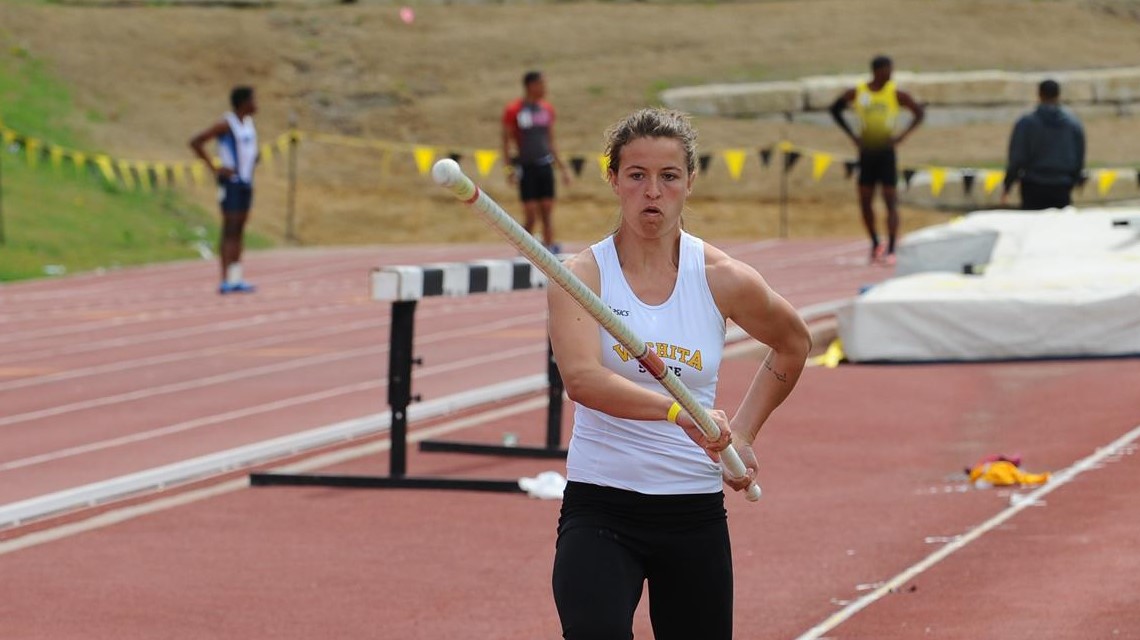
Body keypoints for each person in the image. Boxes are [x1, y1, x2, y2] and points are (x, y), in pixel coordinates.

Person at [547, 108, 812, 640]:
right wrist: (678, 411)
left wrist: (744, 433)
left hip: (692, 510)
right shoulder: (581, 276)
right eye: (636, 175)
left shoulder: (721, 278)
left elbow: (793, 344)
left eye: (668, 176)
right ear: (613, 179)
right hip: (602, 505)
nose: (652, 191)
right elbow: (581, 380)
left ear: (690, 181)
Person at [830, 55, 925, 265]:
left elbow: (919, 112)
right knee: (865, 200)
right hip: (866, 152)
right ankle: (875, 243)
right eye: (887, 71)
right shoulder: (859, 92)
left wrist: (901, 136)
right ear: (877, 71)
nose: (891, 75)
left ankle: (891, 247)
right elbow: (835, 109)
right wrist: (852, 135)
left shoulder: (895, 93)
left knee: (890, 200)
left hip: (886, 152)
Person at [190, 86, 260, 294]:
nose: (257, 104)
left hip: (246, 182)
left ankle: (236, 277)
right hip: (231, 184)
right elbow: (196, 142)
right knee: (229, 229)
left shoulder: (248, 124)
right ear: (243, 102)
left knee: (239, 230)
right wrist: (215, 167)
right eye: (253, 100)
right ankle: (224, 279)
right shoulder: (226, 124)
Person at [501, 70, 571, 254]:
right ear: (530, 86)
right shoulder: (514, 110)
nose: (544, 88)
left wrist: (563, 168)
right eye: (541, 84)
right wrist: (509, 168)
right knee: (531, 212)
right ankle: (523, 251)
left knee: (547, 210)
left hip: (545, 164)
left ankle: (549, 250)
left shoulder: (546, 109)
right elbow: (506, 142)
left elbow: (551, 141)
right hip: (526, 166)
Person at [1000, 79, 1085, 210]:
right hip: (1062, 185)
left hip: (1033, 186)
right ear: (1058, 95)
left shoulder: (1026, 123)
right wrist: (1076, 180)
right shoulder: (1073, 124)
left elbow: (1017, 156)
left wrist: (1008, 184)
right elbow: (1079, 155)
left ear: (1039, 95)